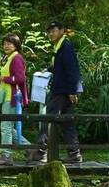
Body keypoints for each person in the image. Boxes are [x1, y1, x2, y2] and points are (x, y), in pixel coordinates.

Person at [31, 21, 83, 165]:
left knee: (48, 120)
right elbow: (59, 67)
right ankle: (74, 154)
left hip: (62, 91)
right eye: (49, 32)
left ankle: (40, 152)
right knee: (67, 123)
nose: (51, 34)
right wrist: (47, 70)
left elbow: (72, 69)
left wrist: (73, 91)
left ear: (62, 31)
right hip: (64, 90)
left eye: (54, 30)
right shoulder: (59, 47)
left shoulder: (65, 47)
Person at [0, 33, 30, 166]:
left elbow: (20, 78)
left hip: (12, 98)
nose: (6, 46)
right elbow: (11, 78)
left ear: (16, 45)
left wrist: (2, 79)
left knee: (6, 127)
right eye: (4, 43)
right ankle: (31, 148)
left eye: (9, 43)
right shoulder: (9, 58)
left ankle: (6, 156)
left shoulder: (16, 58)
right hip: (7, 97)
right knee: (9, 127)